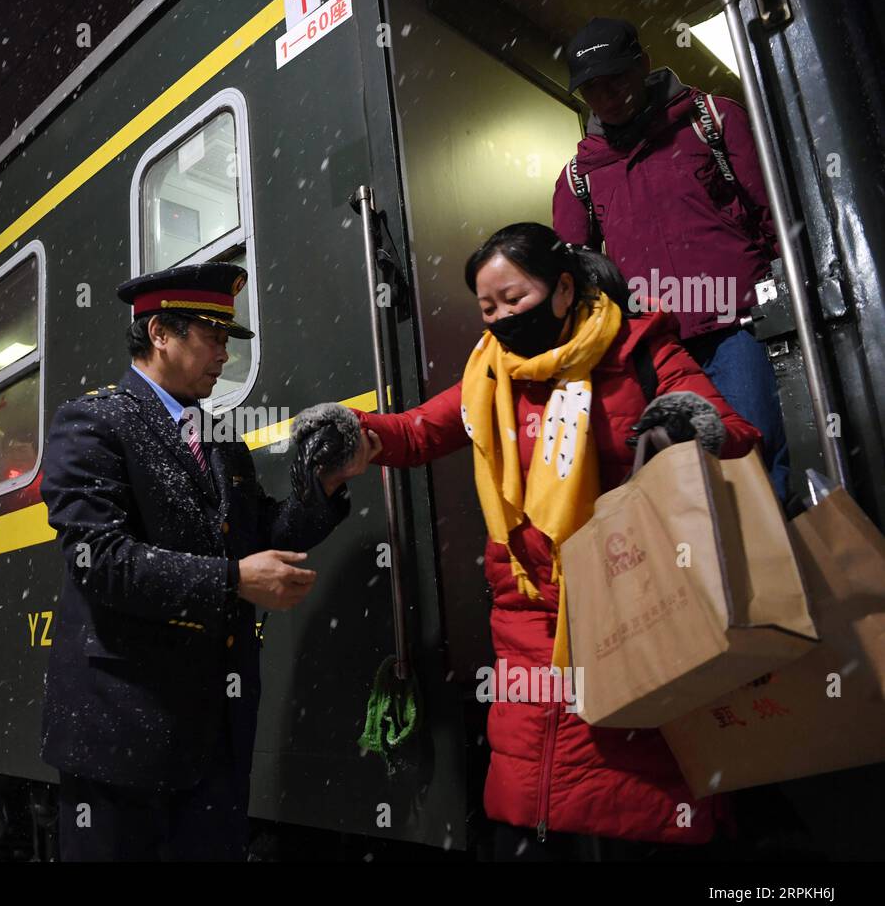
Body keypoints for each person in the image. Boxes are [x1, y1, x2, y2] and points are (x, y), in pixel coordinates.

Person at [321, 223, 761, 855]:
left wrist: (691, 424)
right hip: (528, 614)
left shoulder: (640, 348)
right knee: (535, 790)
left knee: (648, 798)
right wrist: (350, 427)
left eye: (514, 299)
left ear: (562, 288)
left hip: (638, 600)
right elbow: (417, 431)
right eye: (488, 308)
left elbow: (732, 428)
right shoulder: (490, 376)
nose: (501, 319)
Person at [38, 262, 370, 861]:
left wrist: (325, 486)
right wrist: (233, 580)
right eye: (213, 338)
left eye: (226, 341)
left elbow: (260, 531)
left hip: (215, 727)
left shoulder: (218, 440)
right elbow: (102, 561)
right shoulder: (92, 423)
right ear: (161, 332)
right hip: (125, 728)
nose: (223, 355)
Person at [553, 16, 789, 500]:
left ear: (642, 64)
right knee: (683, 485)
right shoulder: (581, 174)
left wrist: (771, 295)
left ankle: (776, 567)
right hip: (654, 350)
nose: (608, 95)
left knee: (755, 460)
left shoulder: (710, 119)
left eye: (616, 77)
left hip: (733, 326)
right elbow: (572, 279)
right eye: (593, 88)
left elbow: (775, 217)